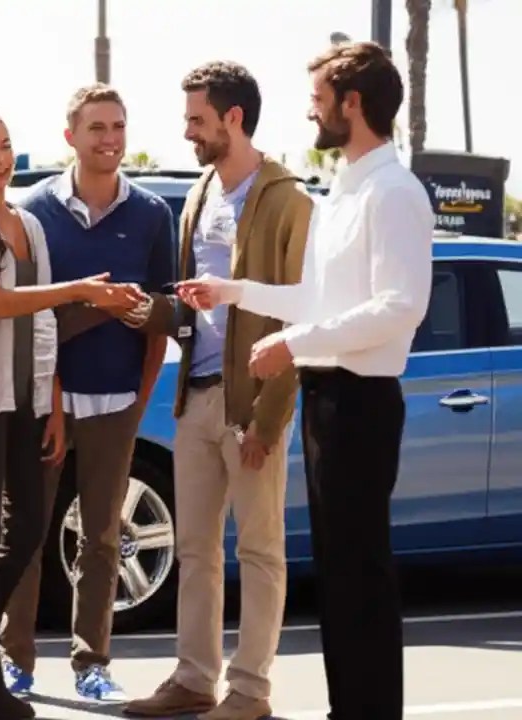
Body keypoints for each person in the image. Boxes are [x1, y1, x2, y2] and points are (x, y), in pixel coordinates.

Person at [176, 42, 433, 720]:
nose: (311, 111)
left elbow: (401, 307)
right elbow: (315, 296)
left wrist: (293, 342)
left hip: (362, 402)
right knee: (341, 578)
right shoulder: (344, 191)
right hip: (326, 401)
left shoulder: (395, 192)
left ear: (353, 103)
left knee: (362, 577)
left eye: (319, 99)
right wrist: (233, 291)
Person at [0, 107, 149, 719]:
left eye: (4, 147)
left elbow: (41, 323)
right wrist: (83, 290)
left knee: (27, 524)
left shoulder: (27, 223)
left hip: (23, 395)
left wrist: (50, 404)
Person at [122, 62, 311, 720]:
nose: (187, 132)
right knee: (196, 549)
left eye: (197, 119)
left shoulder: (288, 199)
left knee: (259, 551)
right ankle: (195, 679)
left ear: (233, 118)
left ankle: (251, 692)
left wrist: (268, 417)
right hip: (195, 396)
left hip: (250, 405)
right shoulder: (200, 191)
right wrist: (150, 311)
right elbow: (195, 305)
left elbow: (300, 317)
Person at [0, 84, 176, 703]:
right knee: (27, 529)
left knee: (103, 537)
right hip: (44, 403)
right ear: (70, 136)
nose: (111, 139)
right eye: (97, 127)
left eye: (119, 127)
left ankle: (92, 663)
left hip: (116, 402)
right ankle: (14, 660)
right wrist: (87, 303)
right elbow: (21, 315)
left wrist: (139, 395)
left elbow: (170, 315)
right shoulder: (32, 212)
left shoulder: (153, 214)